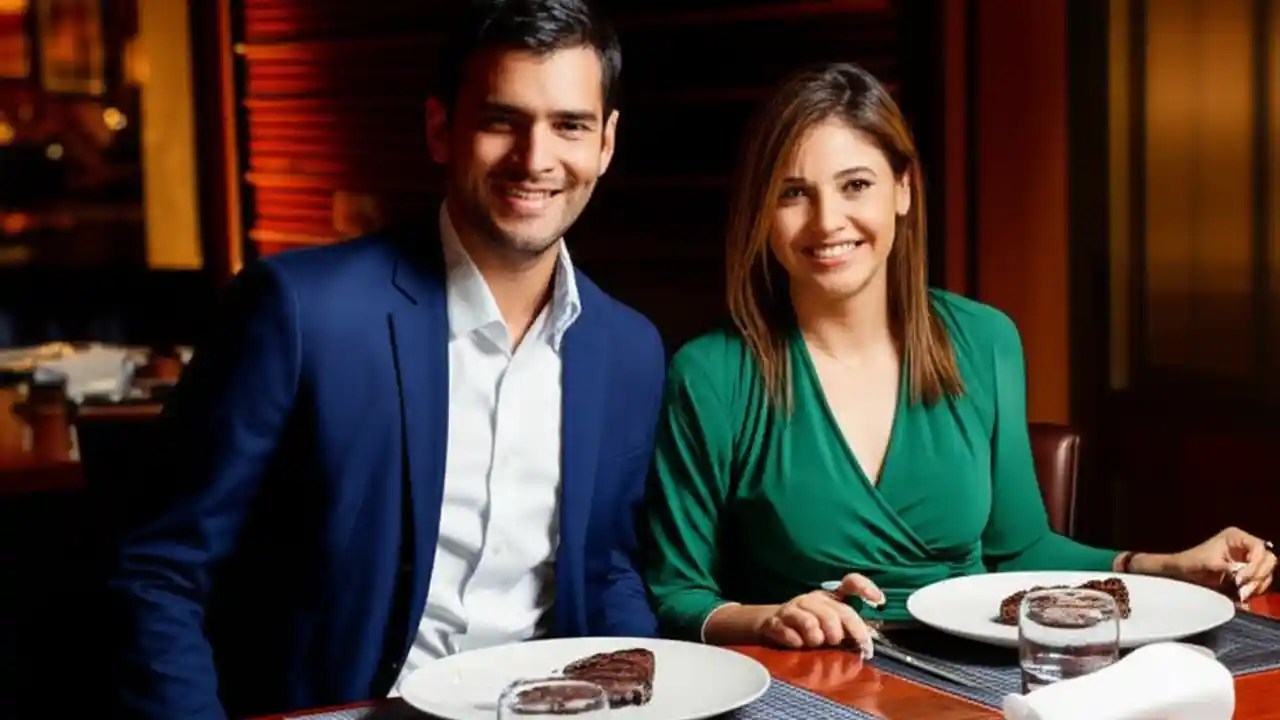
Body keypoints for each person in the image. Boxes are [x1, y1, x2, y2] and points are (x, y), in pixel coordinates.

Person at [108, 2, 664, 718]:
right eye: (501, 120)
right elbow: (161, 573)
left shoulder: (629, 350)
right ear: (441, 129)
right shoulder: (301, 312)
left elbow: (606, 568)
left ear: (606, 144)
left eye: (570, 125)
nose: (536, 158)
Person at [641, 62, 1275, 654]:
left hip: (985, 670)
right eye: (793, 194)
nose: (827, 221)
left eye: (855, 185)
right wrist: (768, 617)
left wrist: (1168, 566)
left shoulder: (985, 339)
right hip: (815, 682)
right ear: (762, 212)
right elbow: (677, 593)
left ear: (903, 190)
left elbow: (1020, 549)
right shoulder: (711, 374)